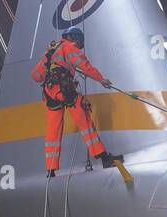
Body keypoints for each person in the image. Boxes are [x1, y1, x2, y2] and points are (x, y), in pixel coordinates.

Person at [31, 27, 123, 177]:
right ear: (75, 38)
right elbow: (84, 65)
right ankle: (104, 158)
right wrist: (101, 79)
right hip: (65, 89)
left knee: (52, 130)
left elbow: (35, 76)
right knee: (84, 121)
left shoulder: (51, 50)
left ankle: (50, 170)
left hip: (49, 93)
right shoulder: (69, 47)